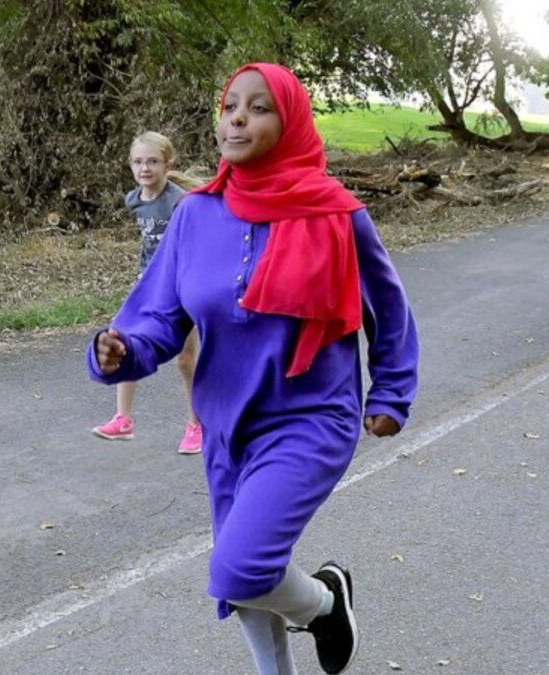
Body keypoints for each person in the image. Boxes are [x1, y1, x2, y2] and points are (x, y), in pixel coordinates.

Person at [88, 63, 418, 674]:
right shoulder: (196, 215)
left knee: (239, 567)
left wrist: (391, 393)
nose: (237, 117)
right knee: (249, 583)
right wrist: (123, 350)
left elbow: (388, 308)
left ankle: (323, 604)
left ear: (289, 121)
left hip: (311, 417)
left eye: (259, 107)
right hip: (225, 423)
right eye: (230, 105)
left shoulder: (335, 214)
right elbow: (159, 317)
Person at [91, 132, 203, 454]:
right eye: (138, 162)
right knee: (122, 342)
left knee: (185, 360)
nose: (145, 168)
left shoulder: (181, 201)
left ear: (168, 164)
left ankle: (196, 425)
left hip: (180, 288)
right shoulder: (134, 199)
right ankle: (123, 419)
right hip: (147, 286)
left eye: (152, 161)